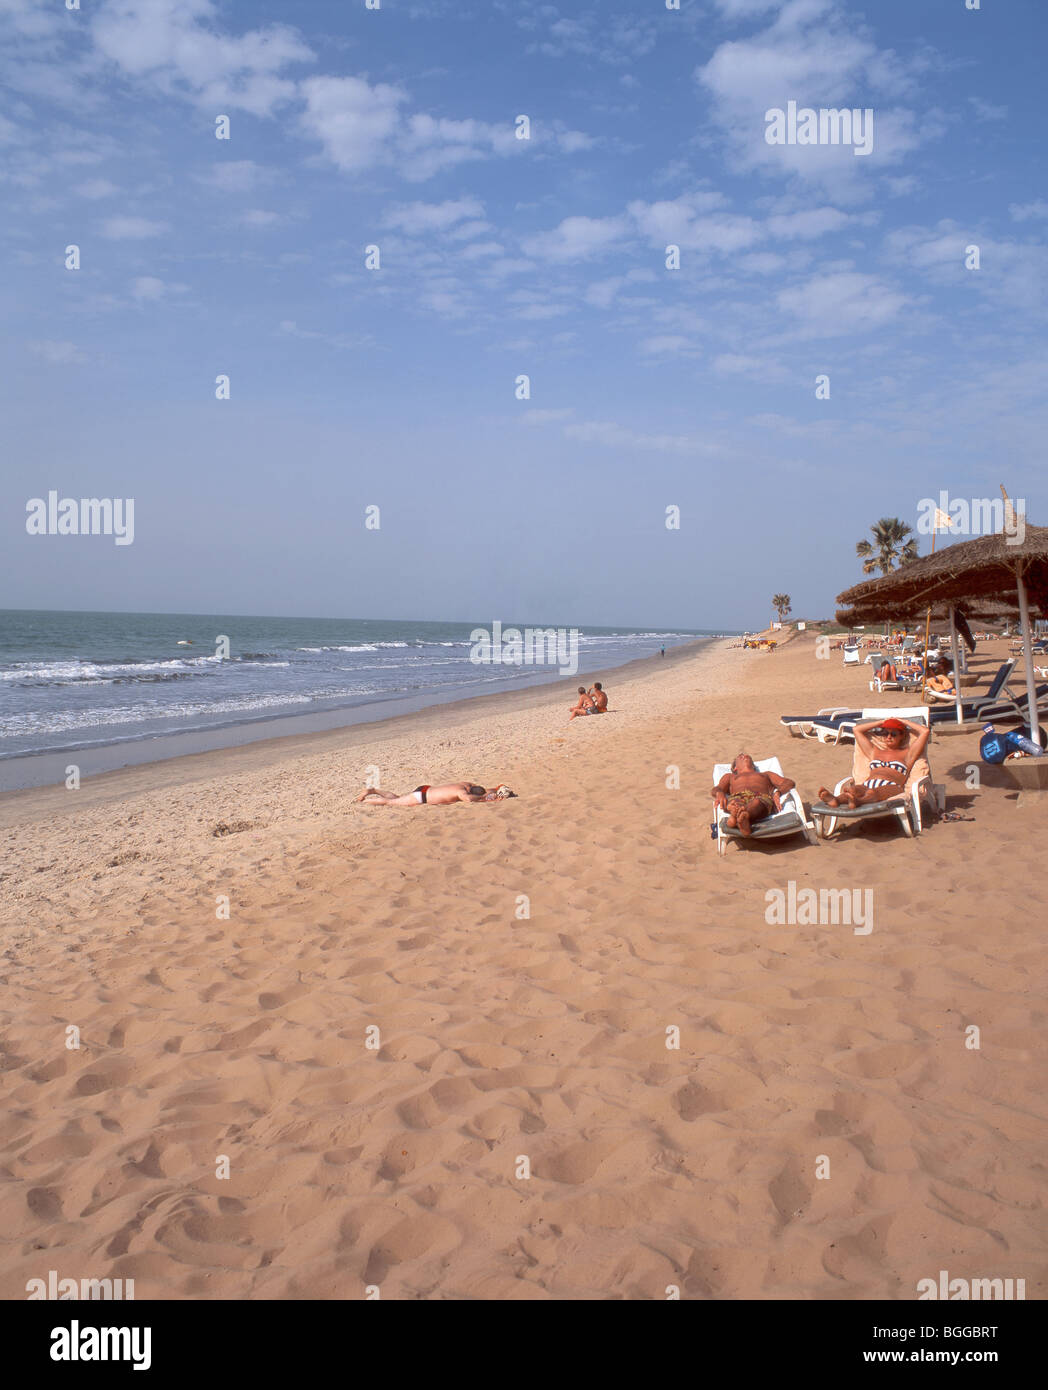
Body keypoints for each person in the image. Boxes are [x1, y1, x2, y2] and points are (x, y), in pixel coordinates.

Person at [817, 716, 929, 808]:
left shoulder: (907, 754)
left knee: (872, 793)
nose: (888, 737)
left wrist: (903, 722)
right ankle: (835, 800)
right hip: (868, 783)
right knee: (853, 789)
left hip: (892, 786)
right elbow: (857, 730)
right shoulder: (874, 752)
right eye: (885, 733)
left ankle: (859, 802)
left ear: (902, 735)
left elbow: (925, 731)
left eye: (893, 734)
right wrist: (881, 722)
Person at [711, 753, 795, 836]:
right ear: (735, 767)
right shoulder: (730, 776)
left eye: (747, 756)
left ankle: (737, 818)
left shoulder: (766, 774)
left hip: (761, 797)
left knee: (756, 802)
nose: (745, 756)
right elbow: (716, 788)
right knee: (735, 802)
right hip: (738, 797)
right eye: (740, 757)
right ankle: (740, 817)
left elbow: (789, 783)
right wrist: (719, 793)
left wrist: (778, 793)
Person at [356, 781, 516, 806]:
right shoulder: (462, 793)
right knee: (392, 803)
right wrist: (485, 798)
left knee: (398, 798)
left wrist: (496, 789)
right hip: (422, 797)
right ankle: (365, 801)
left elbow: (486, 789)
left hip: (425, 789)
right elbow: (469, 800)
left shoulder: (465, 784)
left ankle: (374, 790)